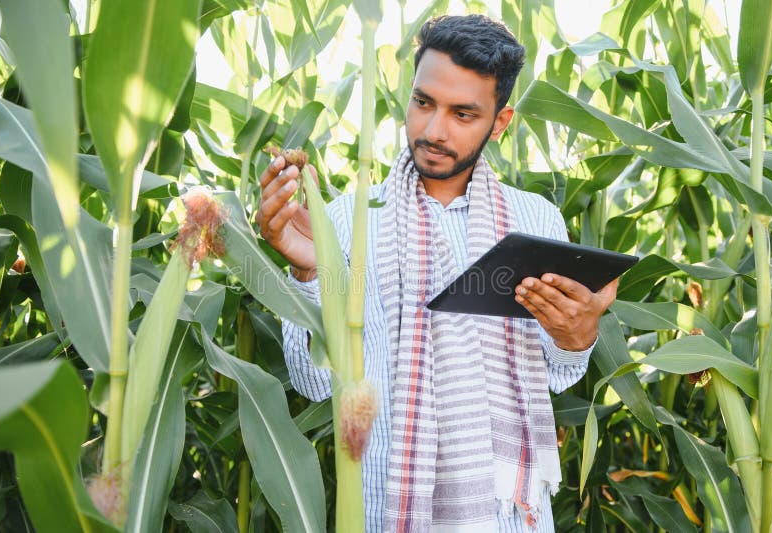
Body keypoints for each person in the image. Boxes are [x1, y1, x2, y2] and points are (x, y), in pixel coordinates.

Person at [256, 14, 617, 533]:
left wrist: (577, 336)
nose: (433, 130)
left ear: (500, 122)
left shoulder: (536, 221)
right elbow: (315, 383)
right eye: (423, 102)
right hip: (388, 507)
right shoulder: (344, 221)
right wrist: (308, 271)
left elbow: (559, 372)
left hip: (508, 517)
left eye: (463, 114)